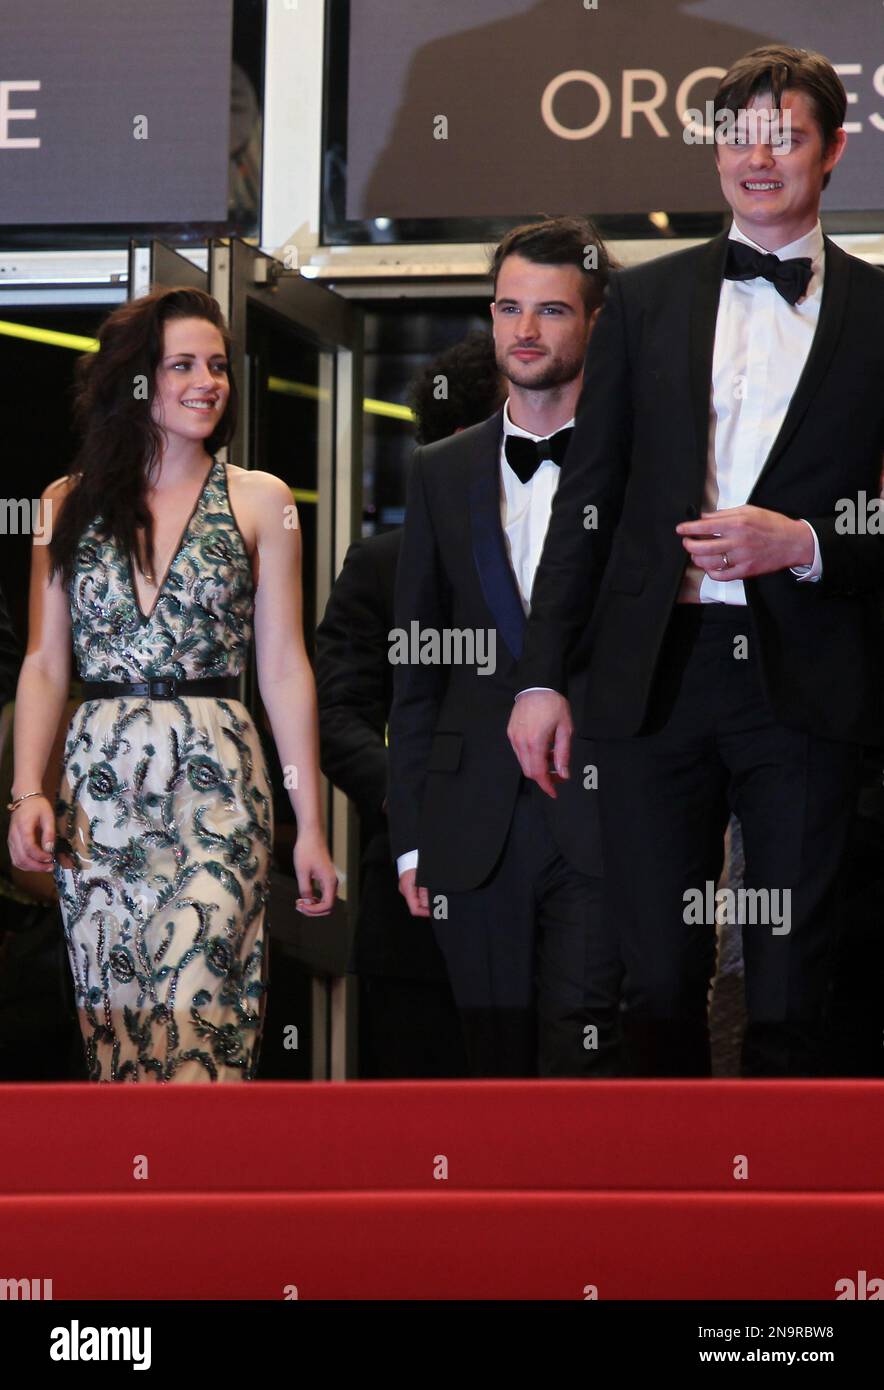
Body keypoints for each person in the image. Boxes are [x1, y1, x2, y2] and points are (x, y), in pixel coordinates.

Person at [508, 47, 884, 1078]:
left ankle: (781, 1221)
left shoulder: (876, 309)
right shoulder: (642, 300)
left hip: (804, 675)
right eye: (736, 138)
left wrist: (802, 543)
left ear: (832, 149)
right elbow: (586, 498)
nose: (755, 159)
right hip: (650, 666)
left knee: (791, 974)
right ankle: (666, 1213)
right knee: (652, 975)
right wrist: (542, 674)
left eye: (783, 137)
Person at [8, 287, 336, 1083]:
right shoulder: (65, 504)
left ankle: (206, 1200)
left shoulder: (261, 500)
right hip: (100, 790)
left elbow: (286, 666)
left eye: (218, 366)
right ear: (136, 381)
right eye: (182, 364)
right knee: (118, 1039)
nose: (207, 381)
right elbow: (46, 662)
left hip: (218, 784)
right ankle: (144, 1199)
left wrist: (313, 824)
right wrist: (26, 792)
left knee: (201, 1020)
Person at [388, 217, 623, 1078]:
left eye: (551, 311)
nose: (524, 332)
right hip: (468, 817)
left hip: (603, 806)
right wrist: (410, 835)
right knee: (492, 1064)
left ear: (596, 321)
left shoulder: (642, 466)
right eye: (508, 308)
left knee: (585, 1049)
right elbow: (417, 666)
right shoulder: (440, 470)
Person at [315, 331, 503, 1079]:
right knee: (417, 1113)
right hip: (416, 889)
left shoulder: (568, 551)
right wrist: (419, 801)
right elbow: (336, 717)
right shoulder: (382, 564)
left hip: (554, 878)